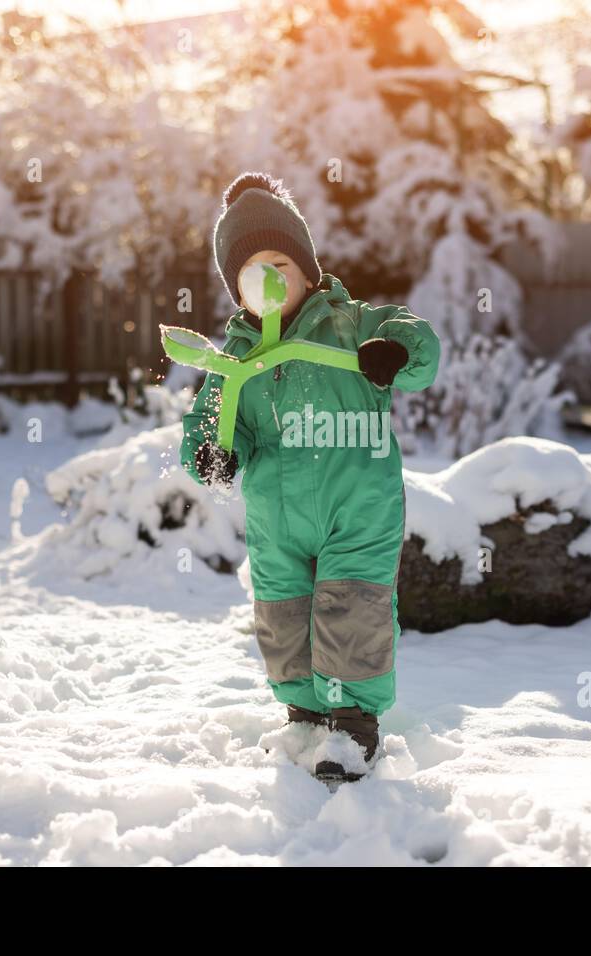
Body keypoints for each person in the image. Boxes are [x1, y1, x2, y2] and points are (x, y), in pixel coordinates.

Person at [181, 172, 440, 781]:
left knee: (354, 610)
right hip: (277, 517)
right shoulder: (237, 359)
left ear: (308, 268)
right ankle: (302, 715)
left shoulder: (353, 326)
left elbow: (418, 342)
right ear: (236, 290)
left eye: (280, 262)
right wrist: (214, 452)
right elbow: (212, 421)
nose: (268, 279)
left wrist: (393, 353)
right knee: (283, 615)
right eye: (250, 272)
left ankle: (351, 727)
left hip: (358, 507)